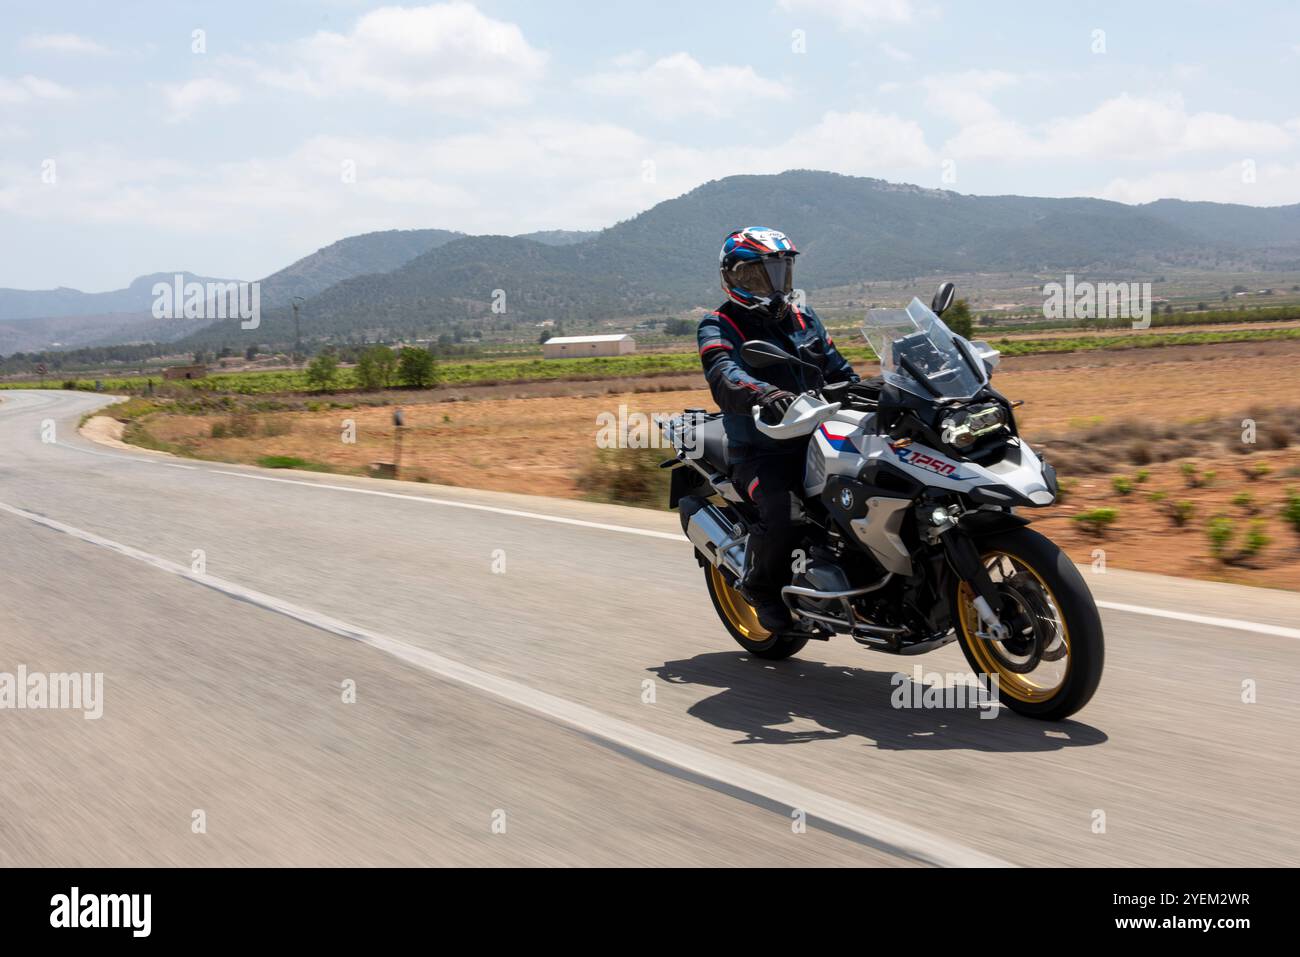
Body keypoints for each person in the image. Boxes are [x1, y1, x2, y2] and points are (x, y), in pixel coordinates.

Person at [697, 227, 860, 633]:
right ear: (733, 277)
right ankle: (761, 587)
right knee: (786, 512)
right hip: (762, 450)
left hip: (821, 436)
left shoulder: (804, 317)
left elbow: (839, 370)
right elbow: (724, 374)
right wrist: (765, 393)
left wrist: (875, 389)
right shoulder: (718, 324)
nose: (772, 284)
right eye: (758, 275)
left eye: (780, 271)